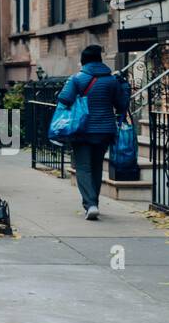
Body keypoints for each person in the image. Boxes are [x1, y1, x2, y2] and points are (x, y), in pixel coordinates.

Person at [56, 45, 130, 221]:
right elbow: (121, 105)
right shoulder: (112, 81)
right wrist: (124, 86)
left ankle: (90, 204)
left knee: (83, 167)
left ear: (83, 61)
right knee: (96, 166)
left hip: (81, 129)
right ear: (100, 60)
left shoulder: (77, 79)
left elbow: (64, 99)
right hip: (104, 130)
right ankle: (94, 202)